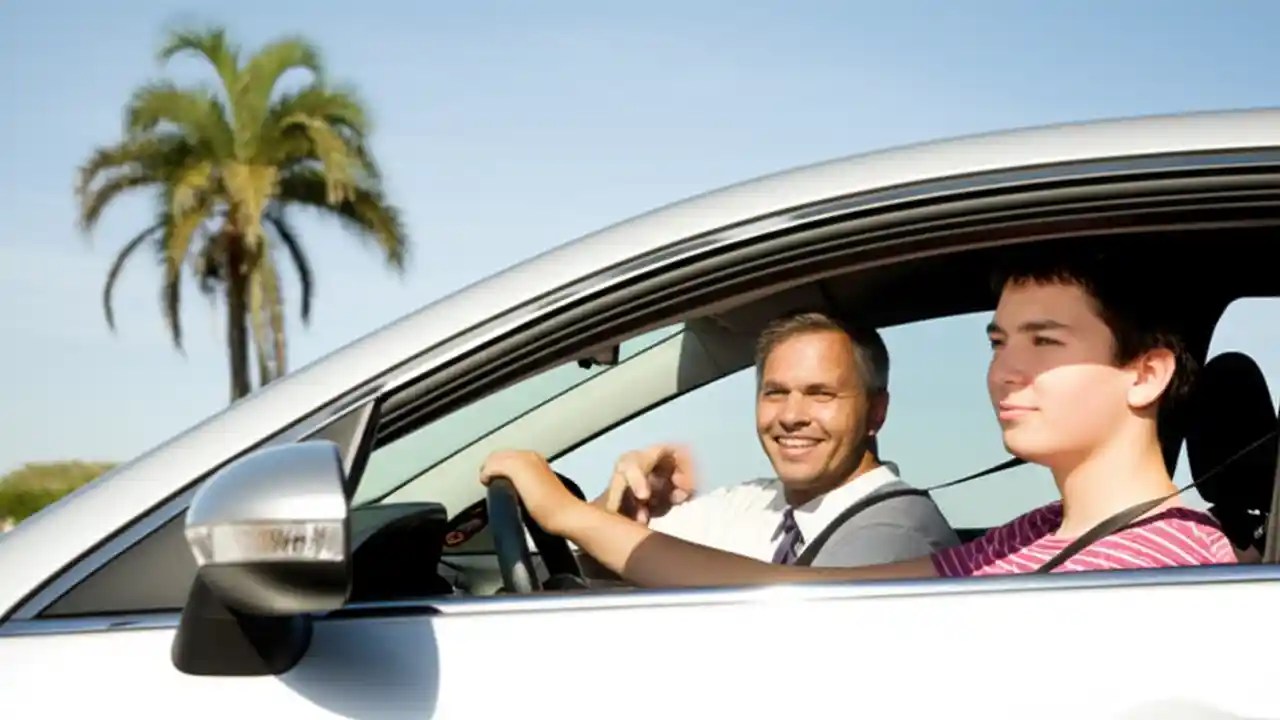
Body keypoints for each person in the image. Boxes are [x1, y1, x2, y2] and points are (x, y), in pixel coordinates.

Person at [481, 252, 1239, 587]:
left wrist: (568, 514)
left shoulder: (1164, 567)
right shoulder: (1043, 532)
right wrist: (570, 515)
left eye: (1045, 342)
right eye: (1000, 342)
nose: (1006, 371)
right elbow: (803, 594)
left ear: (1146, 372)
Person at [585, 312, 957, 571]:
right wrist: (626, 502)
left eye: (820, 394)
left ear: (876, 413)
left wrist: (554, 504)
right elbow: (600, 548)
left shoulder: (894, 536)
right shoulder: (756, 504)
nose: (791, 416)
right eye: (775, 393)